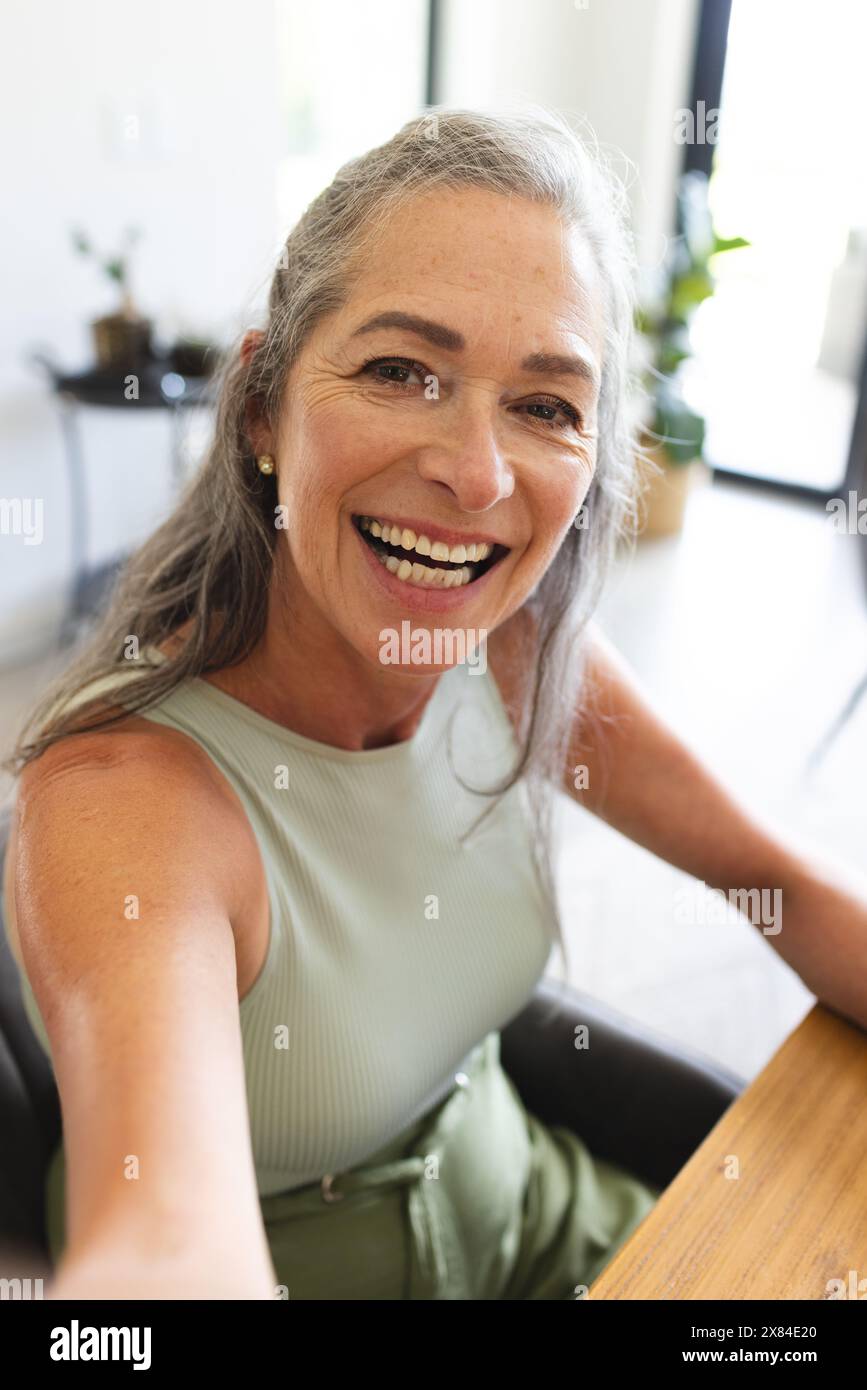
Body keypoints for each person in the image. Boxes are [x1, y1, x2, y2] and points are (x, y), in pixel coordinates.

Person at [4, 107, 867, 1301]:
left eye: (546, 404)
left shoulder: (515, 647)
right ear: (262, 406)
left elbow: (792, 889)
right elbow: (163, 1250)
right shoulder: (125, 803)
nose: (477, 474)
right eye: (403, 371)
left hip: (559, 1231)